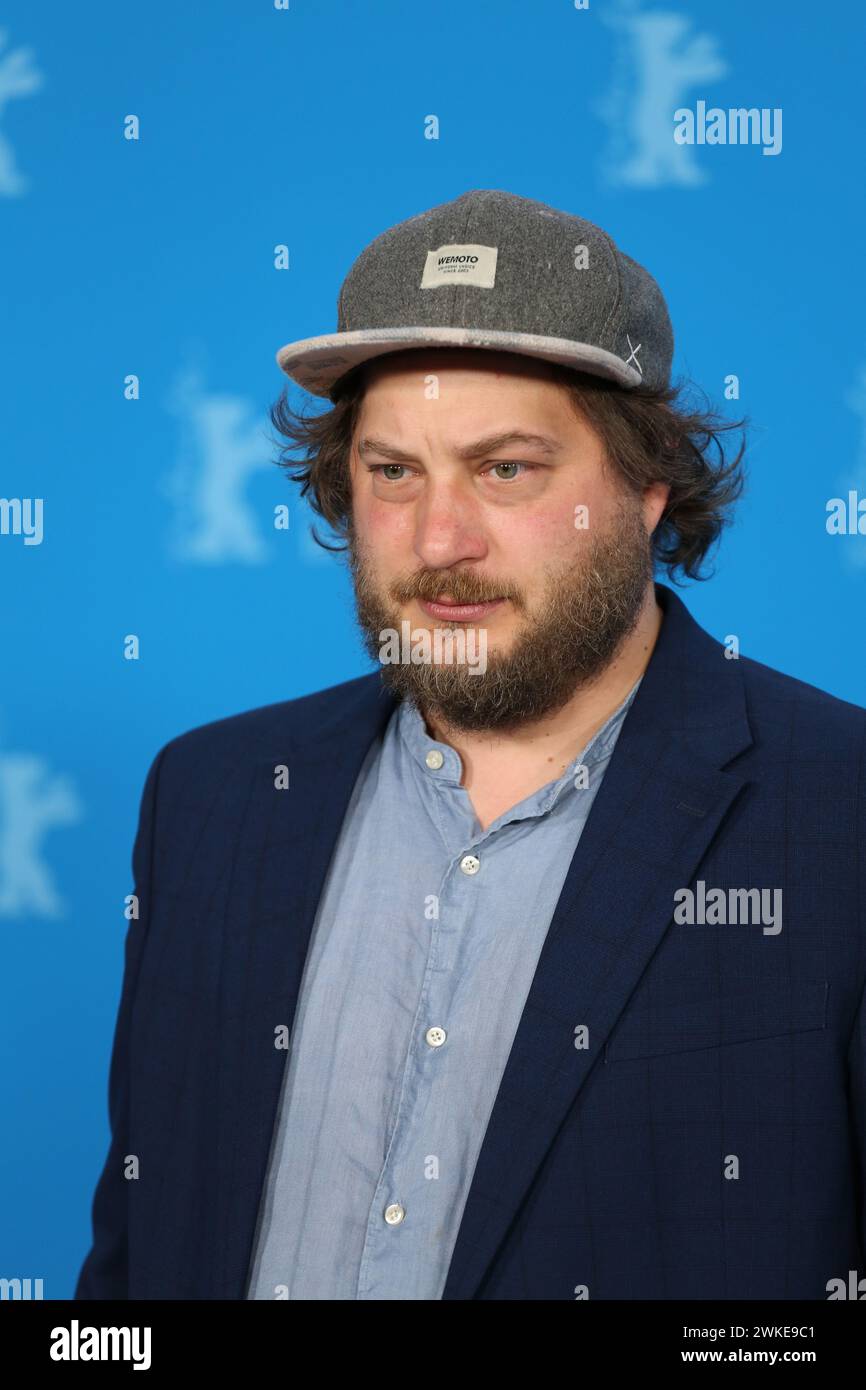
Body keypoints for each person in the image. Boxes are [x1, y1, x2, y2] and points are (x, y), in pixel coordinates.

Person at [76, 190, 866, 1301]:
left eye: (505, 469)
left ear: (645, 491)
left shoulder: (838, 813)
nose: (439, 540)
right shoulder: (210, 797)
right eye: (394, 471)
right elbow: (134, 1265)